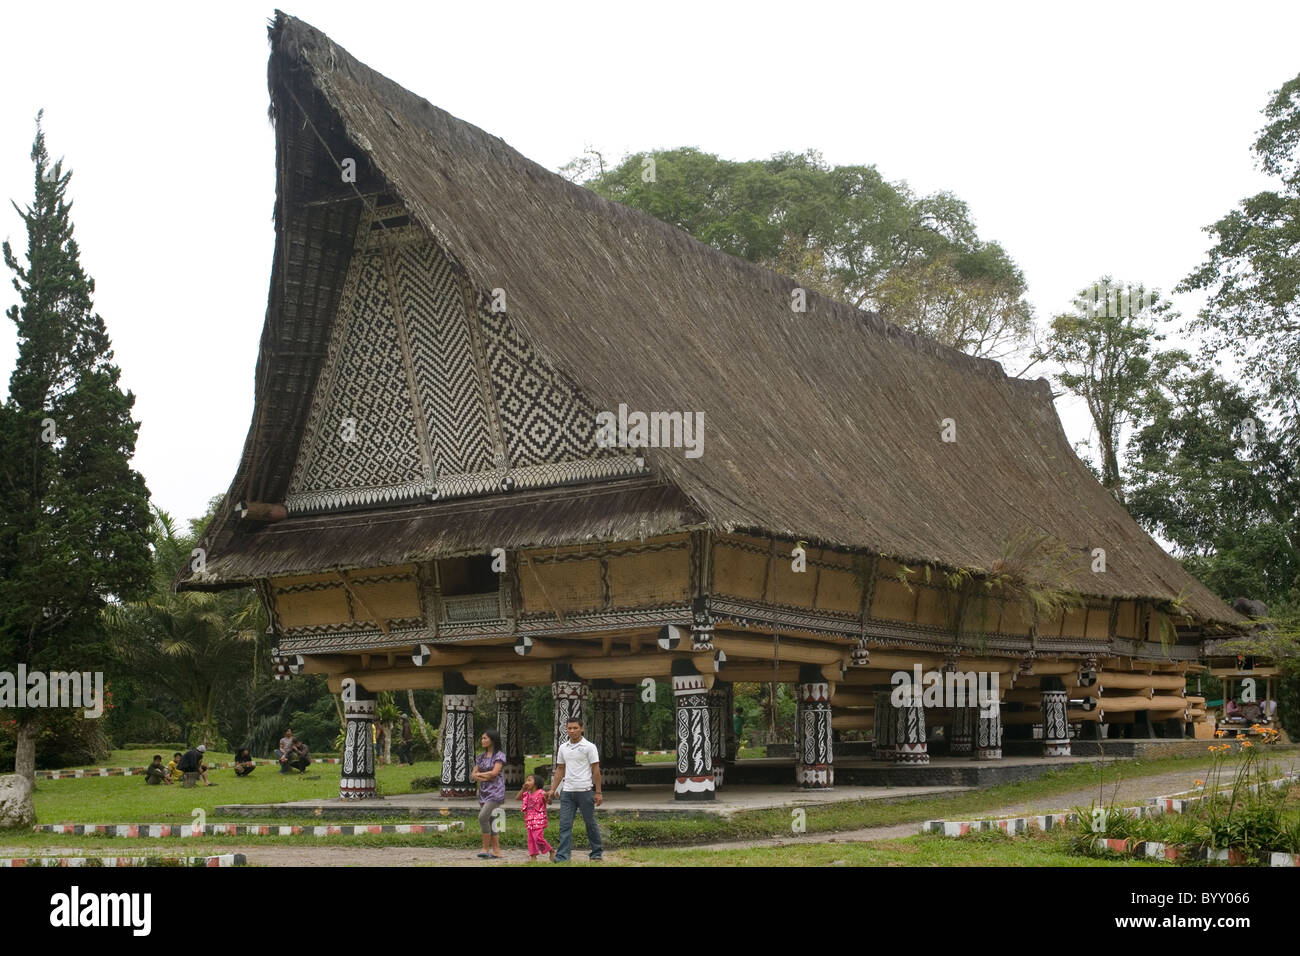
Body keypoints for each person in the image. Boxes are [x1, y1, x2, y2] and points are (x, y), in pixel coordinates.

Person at [548, 717, 603, 862]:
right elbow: (560, 769)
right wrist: (552, 789)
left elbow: (596, 770)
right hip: (567, 792)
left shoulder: (589, 747)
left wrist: (598, 792)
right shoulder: (563, 747)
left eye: (575, 728)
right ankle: (563, 856)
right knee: (565, 825)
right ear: (566, 729)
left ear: (582, 729)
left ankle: (596, 852)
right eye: (569, 728)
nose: (572, 731)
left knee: (590, 823)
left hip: (585, 791)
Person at [470, 729, 507, 859]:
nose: (482, 740)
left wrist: (482, 775)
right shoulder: (480, 757)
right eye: (482, 738)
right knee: (490, 820)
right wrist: (486, 777)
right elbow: (474, 775)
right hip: (484, 792)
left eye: (485, 738)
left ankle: (485, 848)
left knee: (482, 817)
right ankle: (496, 850)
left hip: (496, 792)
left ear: (492, 740)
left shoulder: (499, 756)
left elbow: (494, 773)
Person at [517, 771, 554, 862]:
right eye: (526, 780)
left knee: (538, 837)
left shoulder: (541, 792)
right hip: (529, 819)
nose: (526, 782)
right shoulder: (527, 793)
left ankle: (551, 850)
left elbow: (549, 802)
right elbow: (517, 798)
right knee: (531, 839)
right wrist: (523, 789)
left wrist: (548, 797)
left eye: (529, 780)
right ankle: (533, 857)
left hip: (539, 819)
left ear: (536, 783)